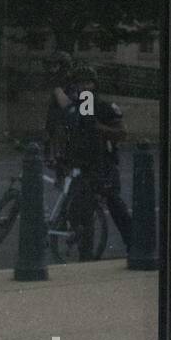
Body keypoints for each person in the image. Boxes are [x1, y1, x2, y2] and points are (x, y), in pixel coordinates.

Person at [59, 64, 133, 258]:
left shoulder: (103, 106)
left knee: (114, 203)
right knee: (79, 209)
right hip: (81, 166)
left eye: (87, 83)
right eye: (79, 83)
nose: (84, 87)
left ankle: (133, 242)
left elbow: (122, 133)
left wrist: (98, 127)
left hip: (103, 165)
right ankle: (86, 253)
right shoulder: (73, 109)